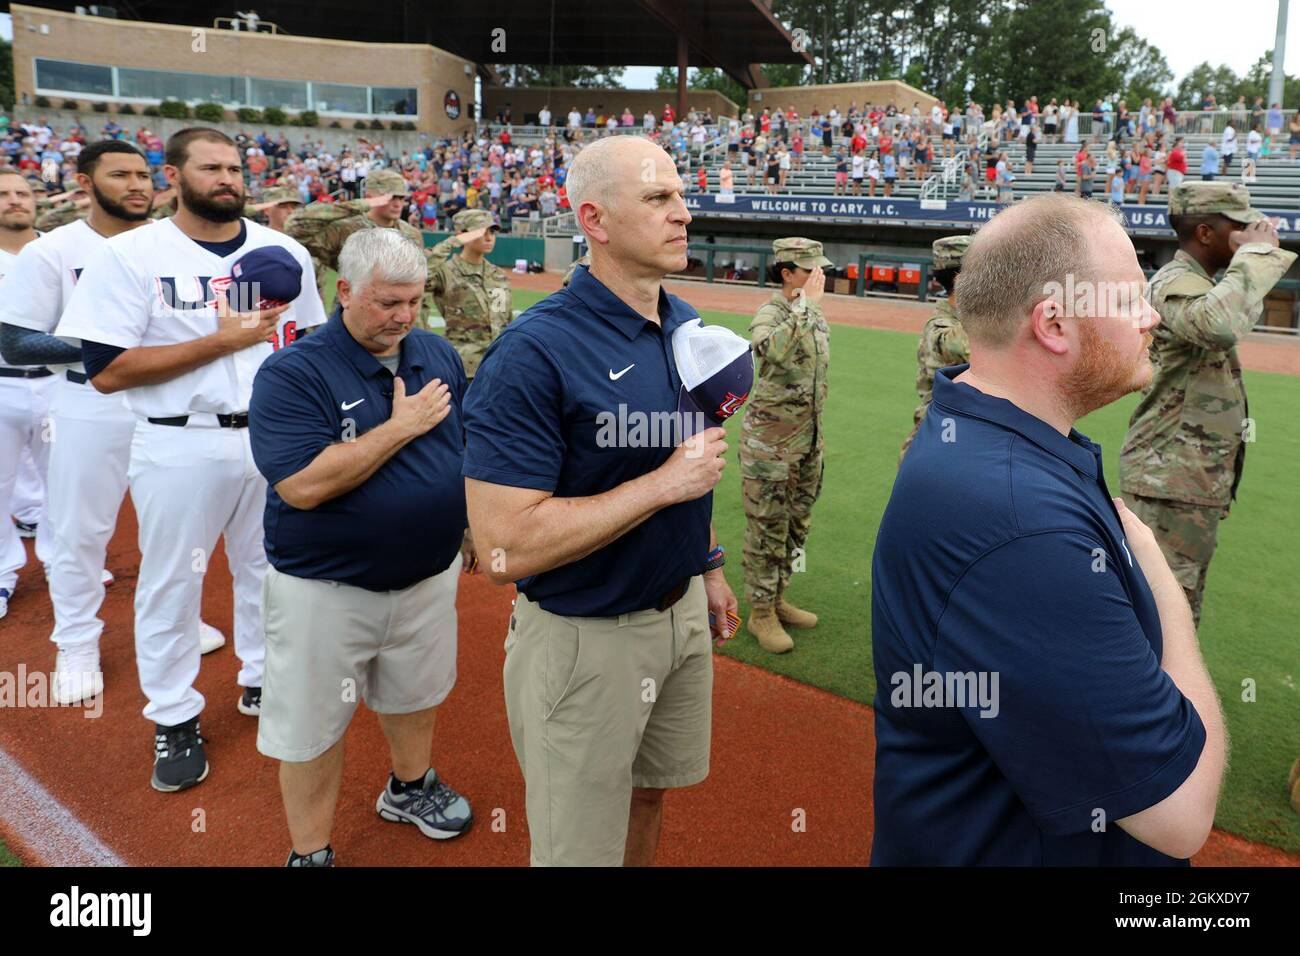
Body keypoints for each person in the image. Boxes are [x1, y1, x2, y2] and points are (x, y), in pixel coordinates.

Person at [872, 193, 1228, 866]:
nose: (1151, 316)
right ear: (1054, 324)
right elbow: (1178, 817)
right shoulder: (1015, 520)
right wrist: (1155, 569)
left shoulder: (985, 431)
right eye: (1129, 299)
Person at [461, 135, 740, 867]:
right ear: (596, 218)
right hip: (584, 638)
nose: (684, 213)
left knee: (650, 794)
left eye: (681, 195)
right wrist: (660, 486)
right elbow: (502, 547)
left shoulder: (681, 322)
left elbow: (690, 464)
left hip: (678, 613)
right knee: (577, 849)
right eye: (658, 199)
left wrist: (706, 564)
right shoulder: (532, 353)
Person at [56, 128, 327, 791]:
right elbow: (108, 369)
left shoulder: (283, 249)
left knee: (272, 572)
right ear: (173, 176)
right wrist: (219, 341)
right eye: (210, 167)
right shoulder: (133, 256)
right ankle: (174, 714)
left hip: (271, 437)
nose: (227, 177)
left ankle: (262, 680)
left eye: (235, 167)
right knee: (173, 583)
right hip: (180, 438)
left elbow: (313, 345)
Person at [249, 229, 474, 868]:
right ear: (343, 291)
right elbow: (302, 485)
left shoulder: (434, 353)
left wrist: (468, 527)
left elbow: (461, 447)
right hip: (327, 587)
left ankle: (410, 788)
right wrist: (400, 429)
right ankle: (311, 850)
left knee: (416, 694)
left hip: (428, 576)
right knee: (311, 726)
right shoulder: (294, 370)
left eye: (413, 301)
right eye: (386, 304)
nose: (403, 317)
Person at [0, 140, 228, 701]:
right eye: (119, 175)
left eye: (142, 175)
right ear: (84, 184)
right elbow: (14, 341)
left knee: (176, 531)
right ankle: (76, 642)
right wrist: (104, 348)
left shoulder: (177, 246)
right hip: (89, 402)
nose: (135, 186)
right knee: (80, 532)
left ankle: (177, 623)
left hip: (170, 402)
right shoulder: (52, 250)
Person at [1119, 183, 1295, 628]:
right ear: (1205, 232)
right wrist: (1256, 254)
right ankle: (1147, 697)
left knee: (1178, 607)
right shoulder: (1176, 283)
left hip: (1185, 480)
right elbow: (1217, 326)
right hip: (1167, 478)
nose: (1250, 232)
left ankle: (1164, 695)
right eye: (1238, 227)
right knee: (1160, 615)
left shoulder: (1202, 284)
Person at [740, 238, 831, 654]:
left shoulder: (814, 316)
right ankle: (760, 613)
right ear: (786, 273)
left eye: (819, 269)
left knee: (796, 528)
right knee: (767, 531)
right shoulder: (771, 313)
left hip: (806, 443)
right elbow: (771, 352)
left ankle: (778, 598)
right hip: (770, 447)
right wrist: (807, 307)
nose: (819, 277)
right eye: (809, 270)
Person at [0, 168, 50, 621]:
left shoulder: (57, 250)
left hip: (58, 380)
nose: (15, 200)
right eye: (3, 194)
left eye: (23, 192)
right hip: (1, 383)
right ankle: (1, 572)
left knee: (68, 482)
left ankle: (63, 562)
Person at [286, 168, 424, 310]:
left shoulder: (411, 234)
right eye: (390, 197)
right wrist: (360, 205)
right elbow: (294, 224)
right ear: (369, 196)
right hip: (353, 312)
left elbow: (418, 284)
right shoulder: (347, 228)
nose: (397, 204)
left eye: (401, 198)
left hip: (397, 314)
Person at [898, 236, 970, 464]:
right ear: (961, 279)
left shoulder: (969, 321)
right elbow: (963, 347)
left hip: (964, 434)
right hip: (941, 437)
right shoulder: (940, 328)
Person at [423, 208, 510, 379]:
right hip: (461, 368)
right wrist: (452, 242)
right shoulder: (446, 272)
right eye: (481, 231)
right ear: (462, 235)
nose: (489, 237)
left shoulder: (498, 274)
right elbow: (420, 276)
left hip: (499, 366)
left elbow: (505, 321)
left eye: (492, 231)